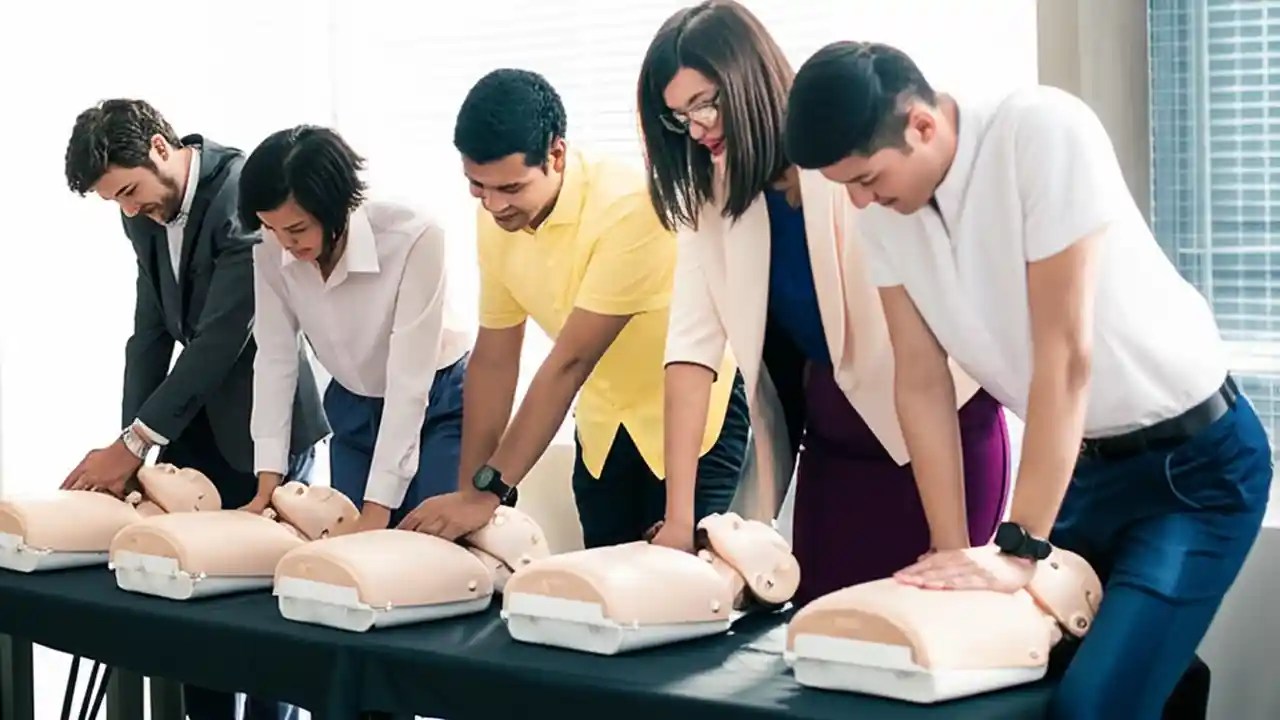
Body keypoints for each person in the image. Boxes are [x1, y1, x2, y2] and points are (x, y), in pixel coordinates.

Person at [785, 41, 1272, 719]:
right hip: (1084, 471)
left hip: (1193, 472)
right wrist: (952, 552)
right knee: (1006, 679)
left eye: (866, 178)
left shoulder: (1040, 132)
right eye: (846, 187)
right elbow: (920, 383)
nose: (860, 201)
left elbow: (1065, 356)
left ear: (921, 125)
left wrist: (1018, 545)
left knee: (1090, 707)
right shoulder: (888, 219)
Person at [636, 0, 1011, 606]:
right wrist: (679, 519)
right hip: (834, 445)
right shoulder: (714, 191)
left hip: (941, 431)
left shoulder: (847, 162)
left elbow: (927, 346)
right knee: (821, 628)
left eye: (706, 103)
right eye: (680, 117)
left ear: (748, 78)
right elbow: (690, 351)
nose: (699, 128)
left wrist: (951, 541)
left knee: (932, 621)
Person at [397, 68, 750, 548]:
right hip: (604, 426)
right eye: (477, 186)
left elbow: (570, 362)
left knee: (681, 579)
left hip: (694, 419)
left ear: (556, 155)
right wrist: (469, 493)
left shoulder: (629, 206)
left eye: (511, 188)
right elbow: (494, 359)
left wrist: (490, 491)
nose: (494, 205)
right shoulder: (497, 220)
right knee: (598, 582)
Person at [62, 99, 325, 720]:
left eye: (129, 191)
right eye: (115, 201)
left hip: (264, 427)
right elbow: (150, 333)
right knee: (191, 609)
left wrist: (133, 443)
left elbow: (221, 337)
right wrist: (132, 449)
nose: (129, 209)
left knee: (264, 621)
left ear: (160, 147)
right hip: (192, 429)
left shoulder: (240, 193)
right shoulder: (140, 215)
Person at [239, 126, 472, 531]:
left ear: (335, 206)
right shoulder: (270, 245)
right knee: (346, 541)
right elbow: (275, 360)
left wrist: (378, 510)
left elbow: (408, 380)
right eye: (272, 228)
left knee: (432, 543)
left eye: (297, 229)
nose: (284, 242)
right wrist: (267, 485)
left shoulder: (412, 238)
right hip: (353, 402)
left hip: (437, 397)